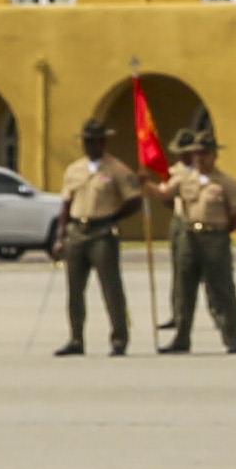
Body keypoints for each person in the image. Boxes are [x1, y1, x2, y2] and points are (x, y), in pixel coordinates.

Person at [51, 125, 139, 357]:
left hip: (102, 232)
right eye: (87, 141)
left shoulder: (117, 169)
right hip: (77, 231)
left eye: (95, 141)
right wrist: (60, 237)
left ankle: (119, 338)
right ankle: (76, 338)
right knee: (75, 290)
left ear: (104, 142)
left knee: (111, 288)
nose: (90, 145)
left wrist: (114, 216)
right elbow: (66, 204)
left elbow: (134, 199)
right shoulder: (74, 170)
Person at [162, 130, 236, 354]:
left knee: (221, 289)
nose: (199, 158)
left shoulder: (226, 182)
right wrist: (145, 183)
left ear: (213, 155)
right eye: (195, 154)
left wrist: (221, 230)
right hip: (189, 236)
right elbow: (164, 194)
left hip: (215, 238)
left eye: (204, 153)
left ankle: (231, 337)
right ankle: (182, 337)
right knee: (184, 289)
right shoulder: (184, 179)